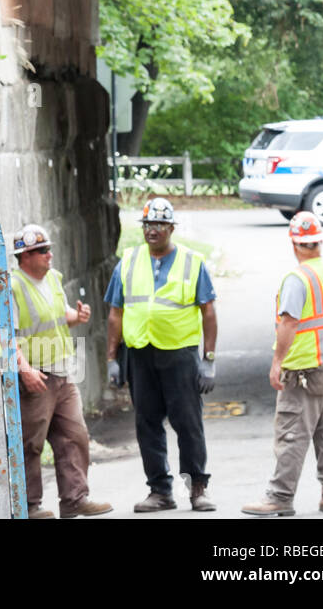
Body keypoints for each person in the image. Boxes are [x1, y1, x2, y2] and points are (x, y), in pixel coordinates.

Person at [104, 197, 219, 512]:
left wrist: (208, 359)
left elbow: (208, 311)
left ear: (171, 228)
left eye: (158, 225)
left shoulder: (192, 262)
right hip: (140, 353)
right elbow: (116, 313)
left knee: (188, 422)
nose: (151, 231)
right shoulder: (128, 261)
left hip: (179, 354)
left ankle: (198, 487)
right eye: (147, 225)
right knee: (147, 423)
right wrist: (112, 359)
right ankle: (160, 491)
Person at [242, 212, 323, 517]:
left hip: (304, 369)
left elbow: (289, 323)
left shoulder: (297, 278)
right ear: (319, 241)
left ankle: (279, 497)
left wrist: (277, 362)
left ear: (294, 243)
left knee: (292, 431)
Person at [11, 223, 112, 520]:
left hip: (63, 372)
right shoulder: (13, 286)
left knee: (74, 435)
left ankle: (75, 499)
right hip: (37, 376)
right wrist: (25, 370)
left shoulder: (53, 279)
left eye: (49, 249)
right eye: (42, 251)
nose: (49, 255)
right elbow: (7, 334)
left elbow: (58, 315)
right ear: (25, 256)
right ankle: (30, 505)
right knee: (31, 443)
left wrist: (77, 316)